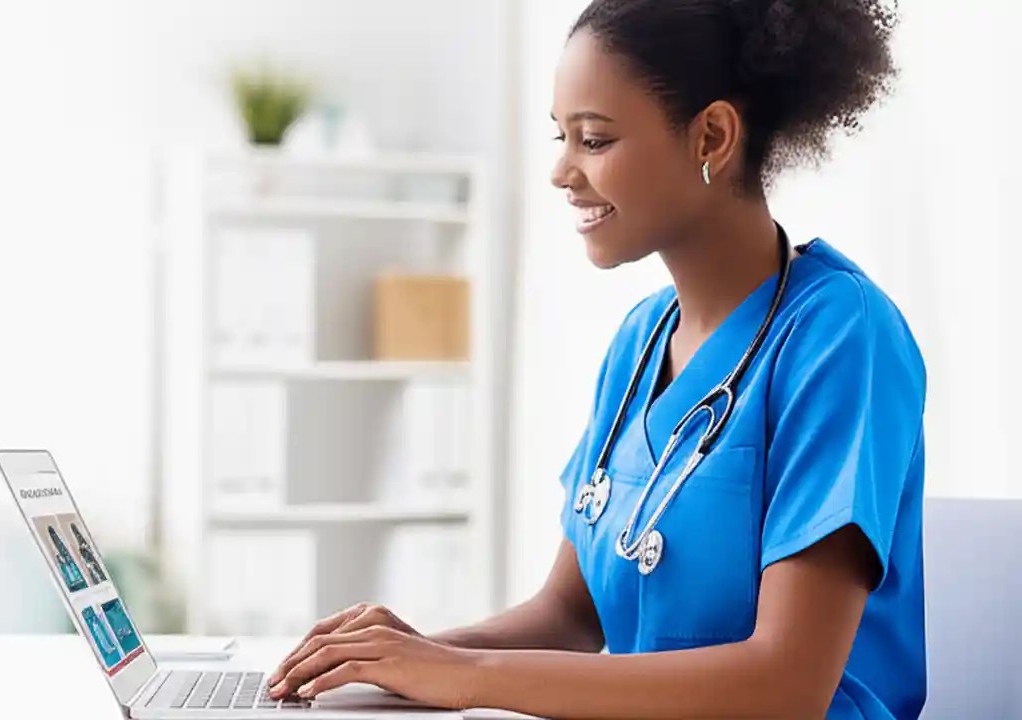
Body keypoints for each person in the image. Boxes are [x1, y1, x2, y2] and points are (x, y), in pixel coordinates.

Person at [267, 0, 925, 717]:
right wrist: (399, 662)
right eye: (561, 137)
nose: (561, 171)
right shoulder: (640, 342)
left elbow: (787, 683)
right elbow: (570, 617)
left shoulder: (841, 335)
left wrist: (465, 674)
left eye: (594, 140)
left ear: (711, 135)